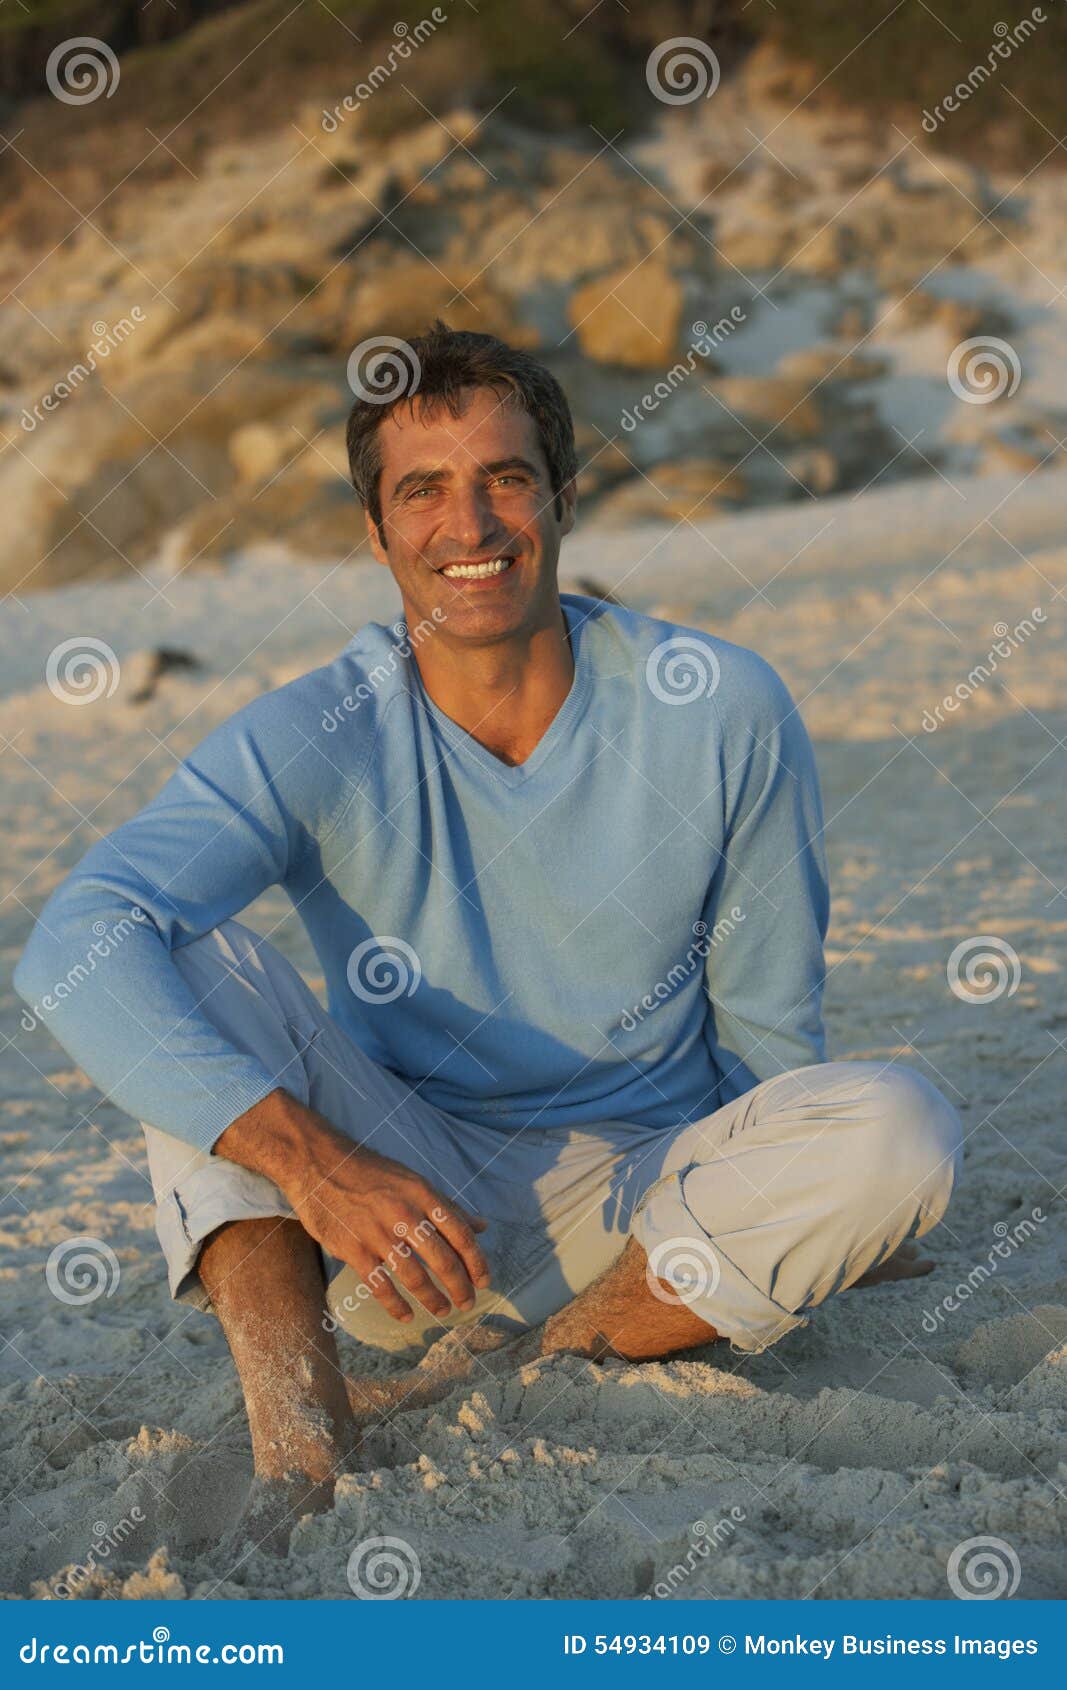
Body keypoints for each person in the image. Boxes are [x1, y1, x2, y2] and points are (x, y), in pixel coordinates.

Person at [15, 319, 962, 1534]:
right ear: (376, 532)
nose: (468, 526)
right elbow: (76, 938)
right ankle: (298, 1436)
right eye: (423, 490)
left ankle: (536, 1362)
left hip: (650, 1198)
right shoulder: (323, 729)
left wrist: (816, 1197)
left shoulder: (719, 705)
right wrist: (320, 1168)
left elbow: (771, 1036)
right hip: (407, 1228)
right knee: (181, 961)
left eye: (504, 480)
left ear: (560, 500)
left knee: (901, 1124)